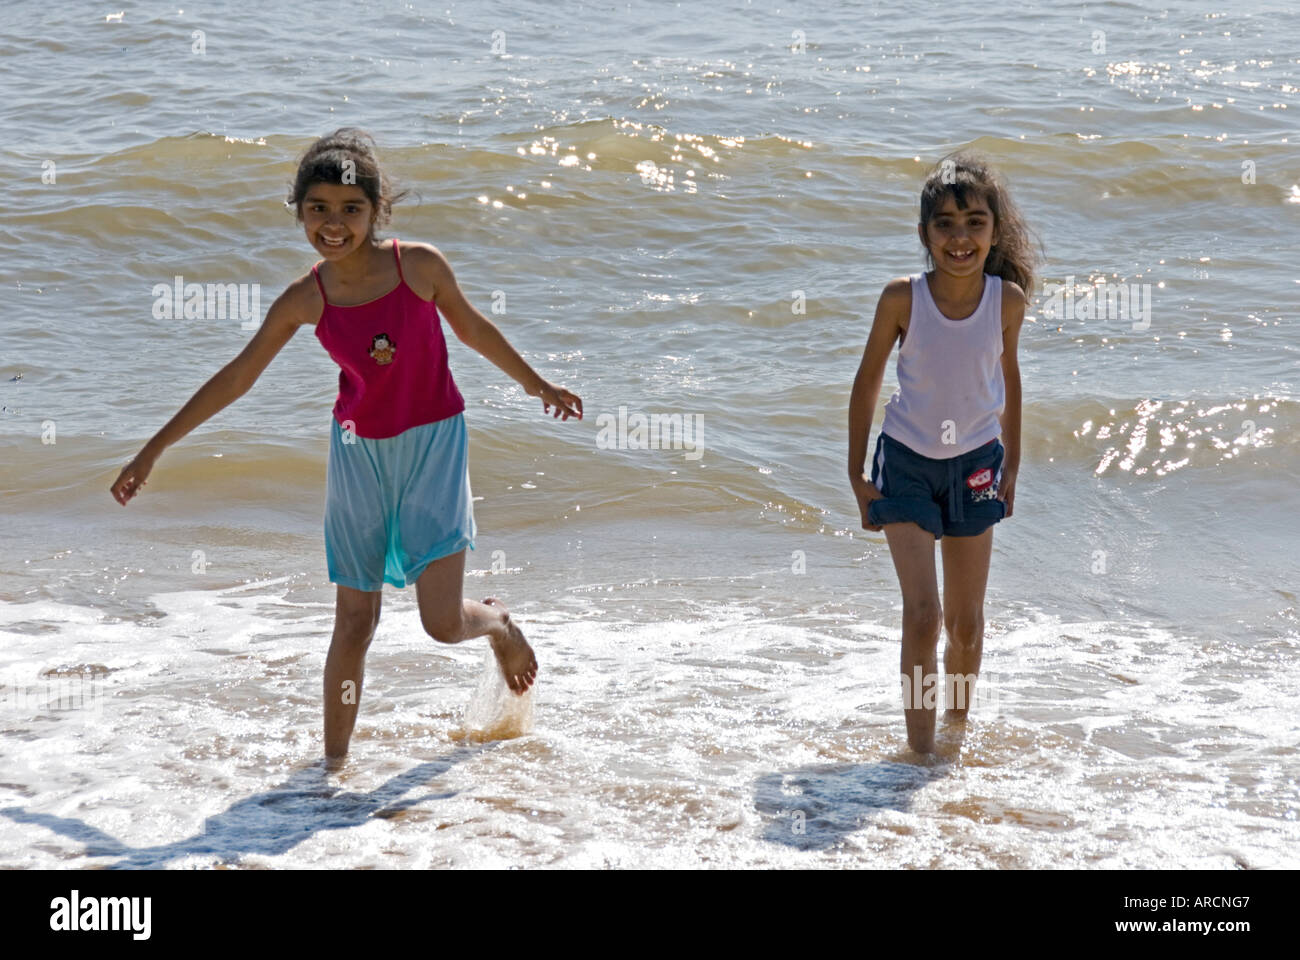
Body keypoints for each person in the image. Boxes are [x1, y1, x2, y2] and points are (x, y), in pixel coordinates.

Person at [110, 128, 582, 763]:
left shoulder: (419, 266)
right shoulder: (307, 298)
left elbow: (472, 330)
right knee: (355, 622)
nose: (333, 225)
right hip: (358, 454)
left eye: (350, 210)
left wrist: (538, 384)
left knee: (441, 625)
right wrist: (152, 450)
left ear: (376, 208)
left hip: (433, 448)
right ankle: (331, 774)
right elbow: (236, 377)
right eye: (319, 209)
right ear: (300, 210)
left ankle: (499, 625)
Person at [847, 152, 1036, 754]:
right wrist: (856, 474)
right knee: (923, 615)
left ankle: (955, 739)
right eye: (945, 225)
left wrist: (1012, 463)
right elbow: (867, 382)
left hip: (978, 464)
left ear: (994, 231)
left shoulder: (1006, 302)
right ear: (925, 234)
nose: (960, 238)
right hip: (905, 463)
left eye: (974, 222)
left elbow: (1008, 381)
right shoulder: (902, 298)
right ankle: (919, 758)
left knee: (966, 624)